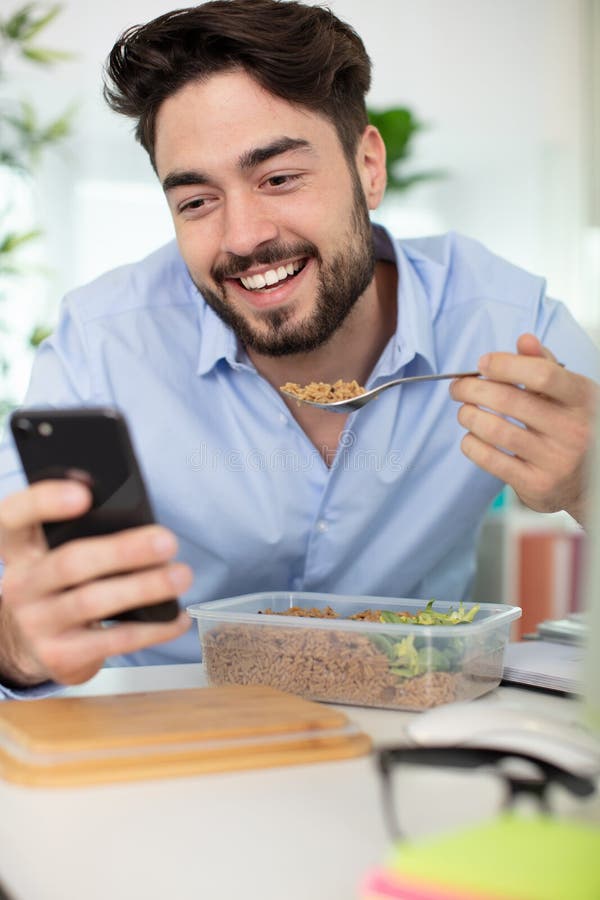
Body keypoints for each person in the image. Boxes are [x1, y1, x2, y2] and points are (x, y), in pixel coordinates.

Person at [0, 0, 598, 697]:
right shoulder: (99, 343)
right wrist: (18, 644)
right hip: (163, 727)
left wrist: (589, 484)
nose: (243, 237)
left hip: (411, 719)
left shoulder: (504, 319)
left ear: (368, 167)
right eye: (197, 201)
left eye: (279, 178)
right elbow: (18, 589)